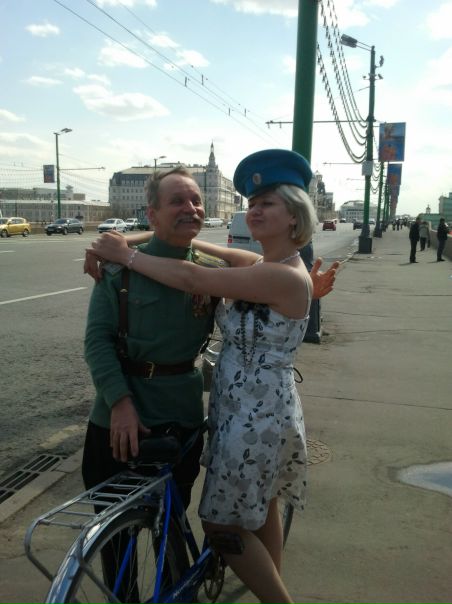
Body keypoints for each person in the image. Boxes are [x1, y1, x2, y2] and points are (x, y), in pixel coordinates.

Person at [86, 149, 336, 604]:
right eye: (252, 203)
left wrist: (128, 255)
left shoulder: (272, 275)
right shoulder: (258, 265)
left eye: (267, 203)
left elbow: (193, 279)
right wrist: (115, 244)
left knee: (214, 525)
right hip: (236, 411)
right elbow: (198, 248)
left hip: (250, 417)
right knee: (260, 512)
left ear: (294, 216)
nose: (254, 210)